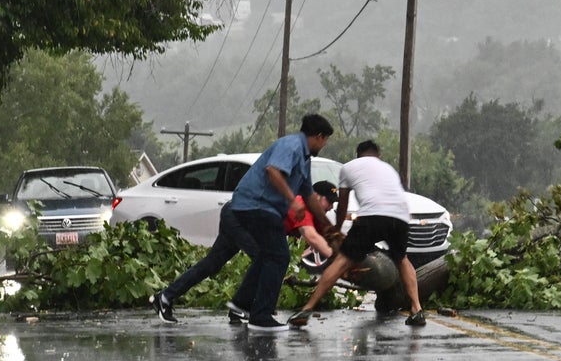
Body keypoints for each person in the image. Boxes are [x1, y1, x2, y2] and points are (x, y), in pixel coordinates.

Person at [151, 114, 335, 332]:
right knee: (273, 256)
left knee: (215, 262)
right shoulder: (291, 145)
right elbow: (273, 171)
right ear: (319, 136)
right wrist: (291, 202)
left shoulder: (304, 159)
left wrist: (330, 228)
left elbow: (310, 196)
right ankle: (256, 313)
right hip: (253, 208)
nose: (324, 145)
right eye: (325, 141)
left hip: (242, 211)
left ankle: (166, 296)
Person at [287, 139, 426, 327]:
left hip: (372, 216)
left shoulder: (349, 167)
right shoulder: (388, 169)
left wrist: (336, 230)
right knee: (402, 259)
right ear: (378, 155)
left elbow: (342, 202)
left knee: (342, 261)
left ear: (358, 154)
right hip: (400, 217)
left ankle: (307, 308)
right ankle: (417, 309)